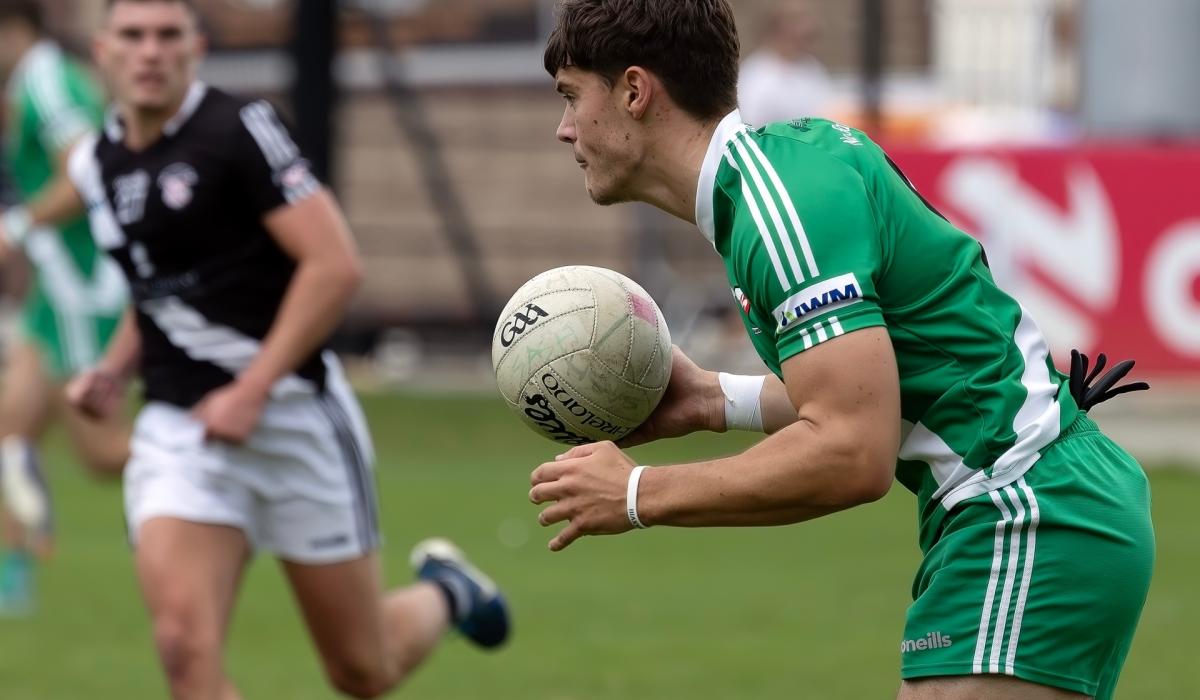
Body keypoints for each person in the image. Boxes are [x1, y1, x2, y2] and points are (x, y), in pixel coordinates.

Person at [531, 2, 1153, 699]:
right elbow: (876, 397)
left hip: (1029, 511)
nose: (563, 129)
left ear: (635, 91)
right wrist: (713, 400)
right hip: (1031, 507)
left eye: (570, 96)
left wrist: (638, 493)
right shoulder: (779, 179)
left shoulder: (780, 210)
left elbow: (854, 454)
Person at [12, 1, 509, 697]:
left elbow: (334, 267)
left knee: (362, 669)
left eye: (166, 36)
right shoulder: (99, 162)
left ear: (197, 46)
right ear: (103, 52)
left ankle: (448, 594)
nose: (149, 52)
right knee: (185, 649)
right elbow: (152, 292)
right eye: (132, 36)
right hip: (180, 432)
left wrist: (251, 390)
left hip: (293, 417)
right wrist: (112, 369)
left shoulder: (240, 129)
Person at [0, 0, 130, 615]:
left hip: (85, 287)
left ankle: (222, 460)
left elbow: (86, 175)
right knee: (7, 429)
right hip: (57, 288)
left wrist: (16, 228)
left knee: (104, 456)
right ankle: (10, 576)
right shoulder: (37, 79)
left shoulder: (46, 79)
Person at [737, 0, 833, 127]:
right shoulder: (757, 76)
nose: (809, 26)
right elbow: (749, 127)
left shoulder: (811, 66)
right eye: (798, 19)